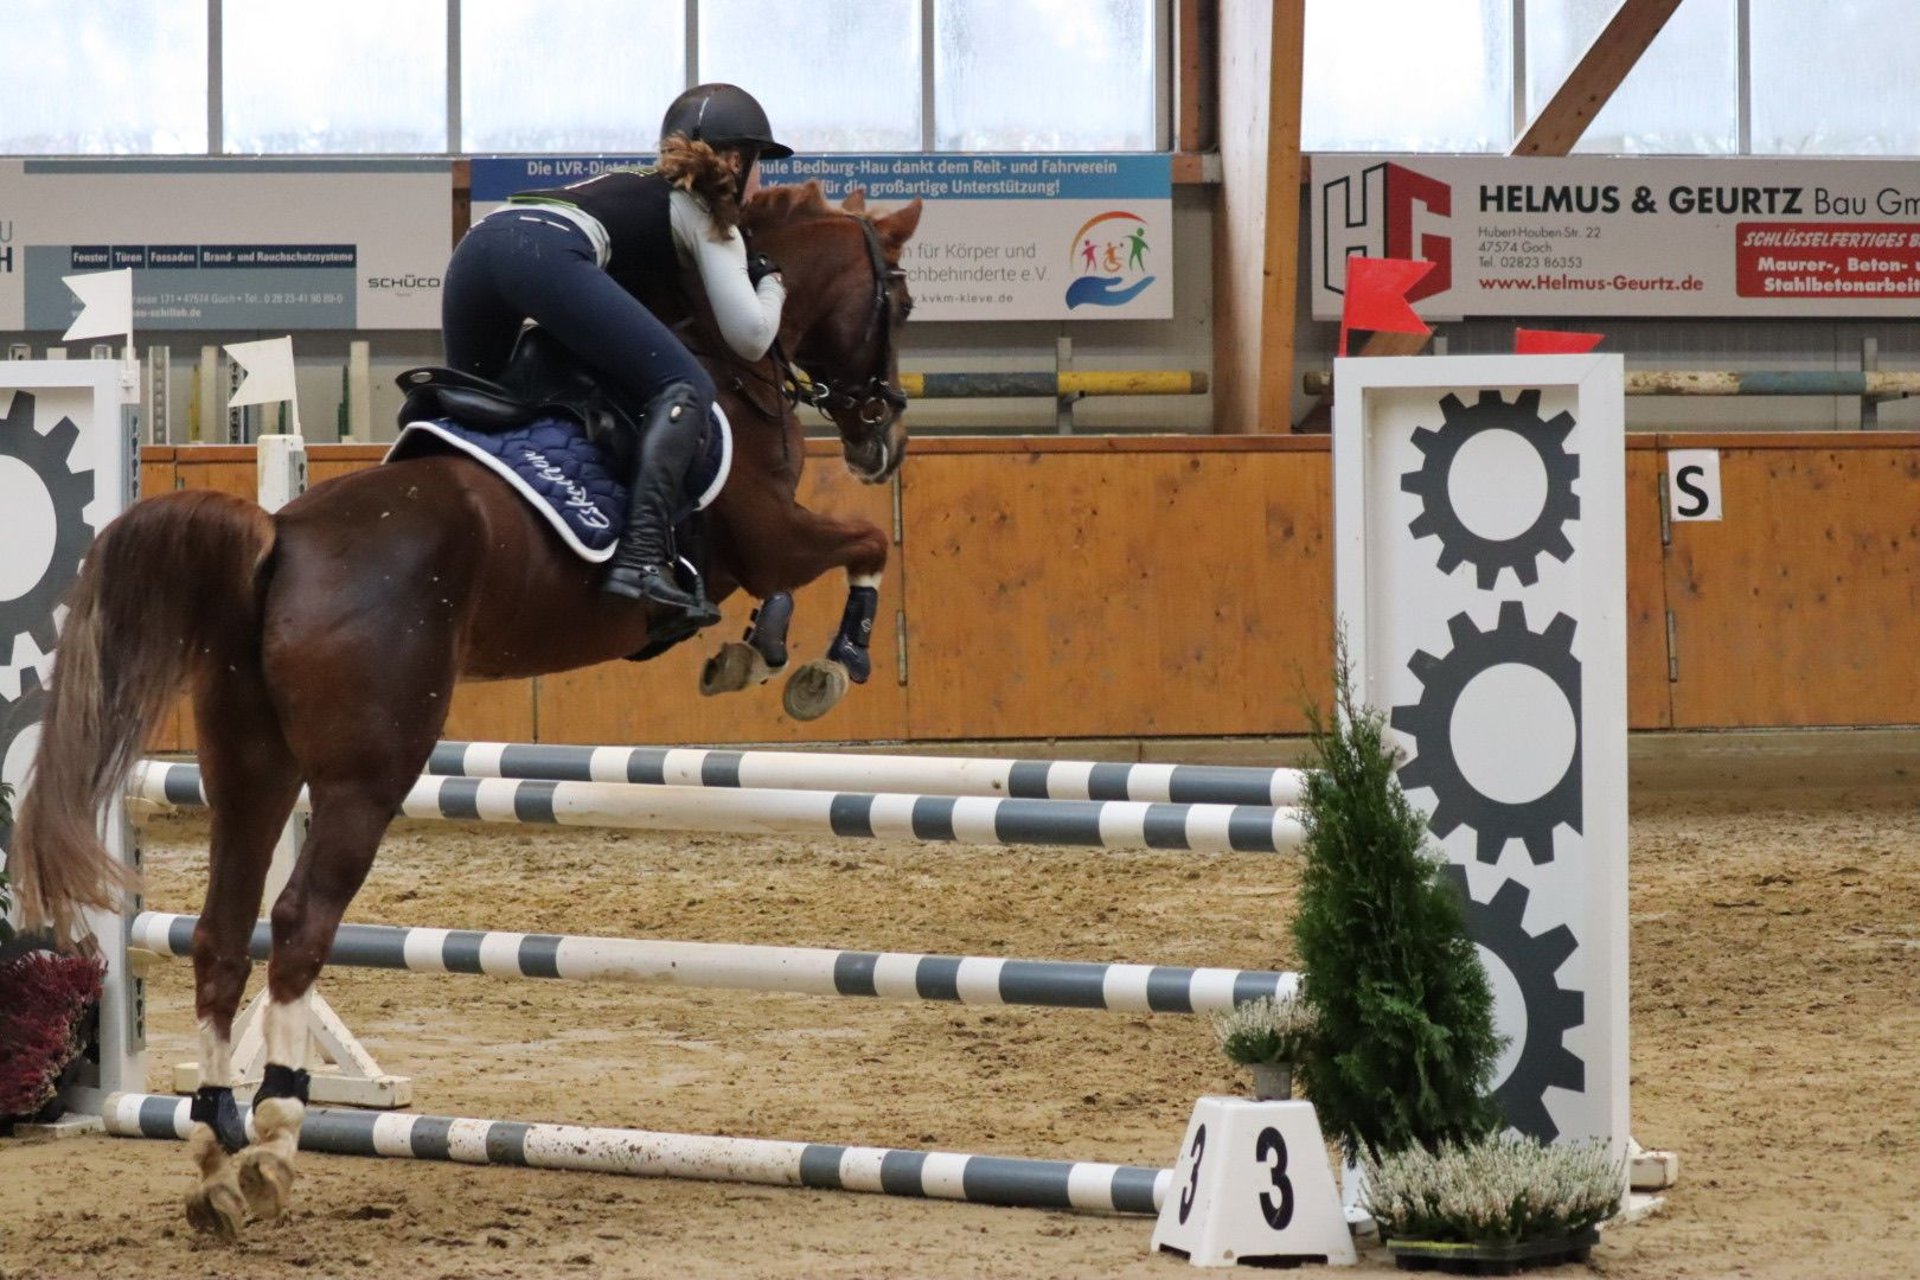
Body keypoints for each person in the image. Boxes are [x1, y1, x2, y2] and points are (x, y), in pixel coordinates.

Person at [440, 83, 794, 624]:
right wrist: (774, 285)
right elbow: (749, 337)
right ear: (733, 160)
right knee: (687, 387)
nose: (763, 179)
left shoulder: (632, 188)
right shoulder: (707, 210)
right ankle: (642, 557)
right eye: (761, 164)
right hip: (542, 253)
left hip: (476, 248)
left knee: (477, 409)